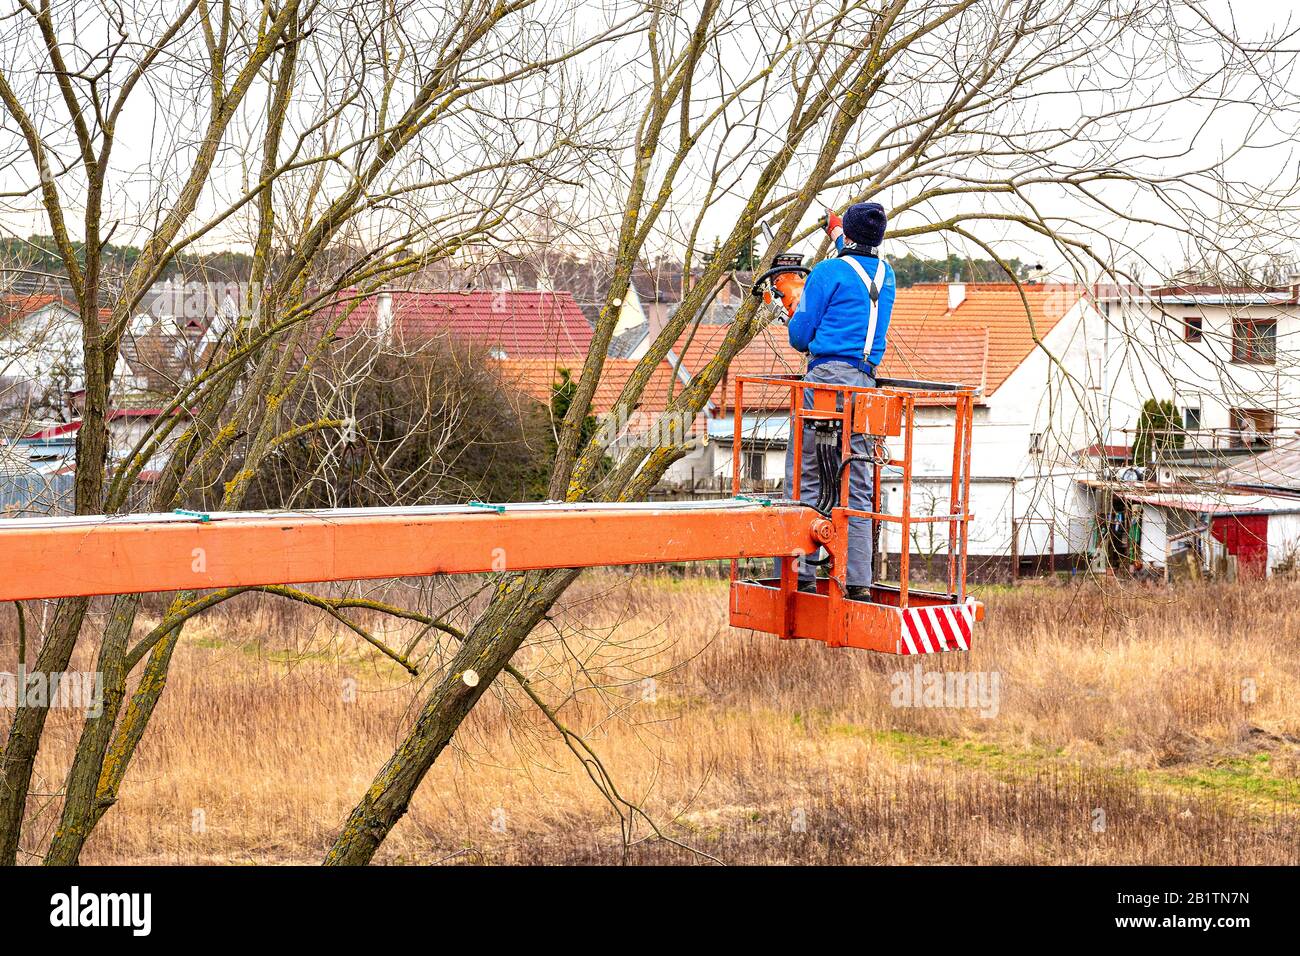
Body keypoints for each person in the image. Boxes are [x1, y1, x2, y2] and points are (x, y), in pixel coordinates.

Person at [782, 201, 896, 600]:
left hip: (825, 382)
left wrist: (797, 310)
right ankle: (858, 581)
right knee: (857, 484)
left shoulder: (826, 273)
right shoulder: (886, 275)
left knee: (806, 473)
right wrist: (838, 233)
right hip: (864, 387)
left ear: (846, 236)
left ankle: (802, 575)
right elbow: (856, 256)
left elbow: (800, 336)